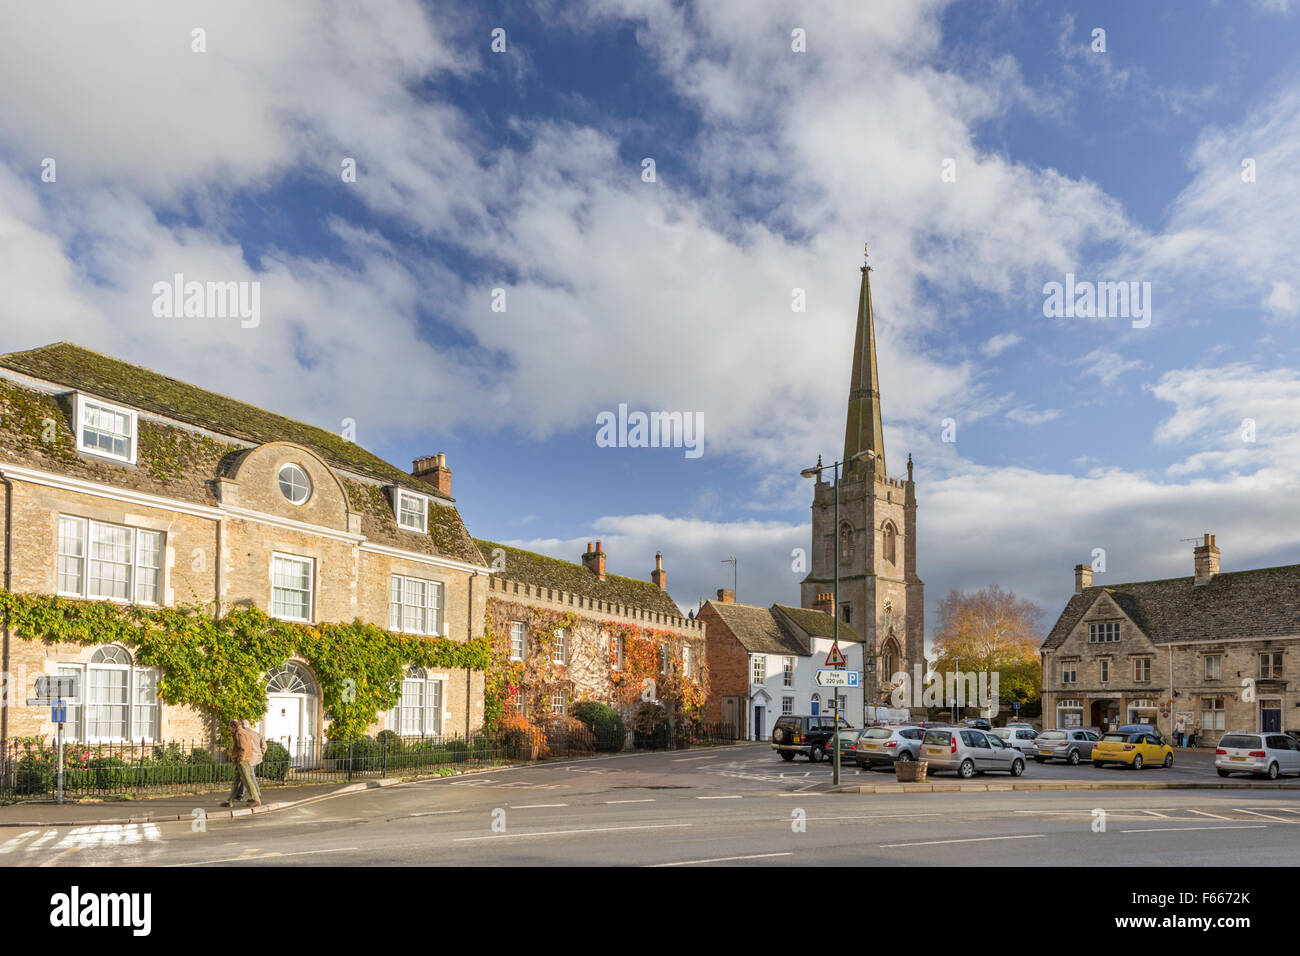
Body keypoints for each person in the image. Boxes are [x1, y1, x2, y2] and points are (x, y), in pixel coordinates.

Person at [221, 719, 262, 808]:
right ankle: (230, 801)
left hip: (242, 761)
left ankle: (256, 800)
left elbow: (243, 748)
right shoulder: (243, 732)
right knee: (236, 781)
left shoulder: (239, 734)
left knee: (247, 780)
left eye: (229, 727)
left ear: (233, 726)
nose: (229, 729)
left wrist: (241, 760)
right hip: (242, 760)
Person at [230, 720, 267, 803]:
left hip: (246, 759)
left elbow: (244, 748)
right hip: (254, 758)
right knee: (243, 778)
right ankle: (234, 798)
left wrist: (241, 758)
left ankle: (257, 797)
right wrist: (260, 754)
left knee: (249, 778)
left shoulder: (241, 733)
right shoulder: (257, 734)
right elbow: (264, 746)